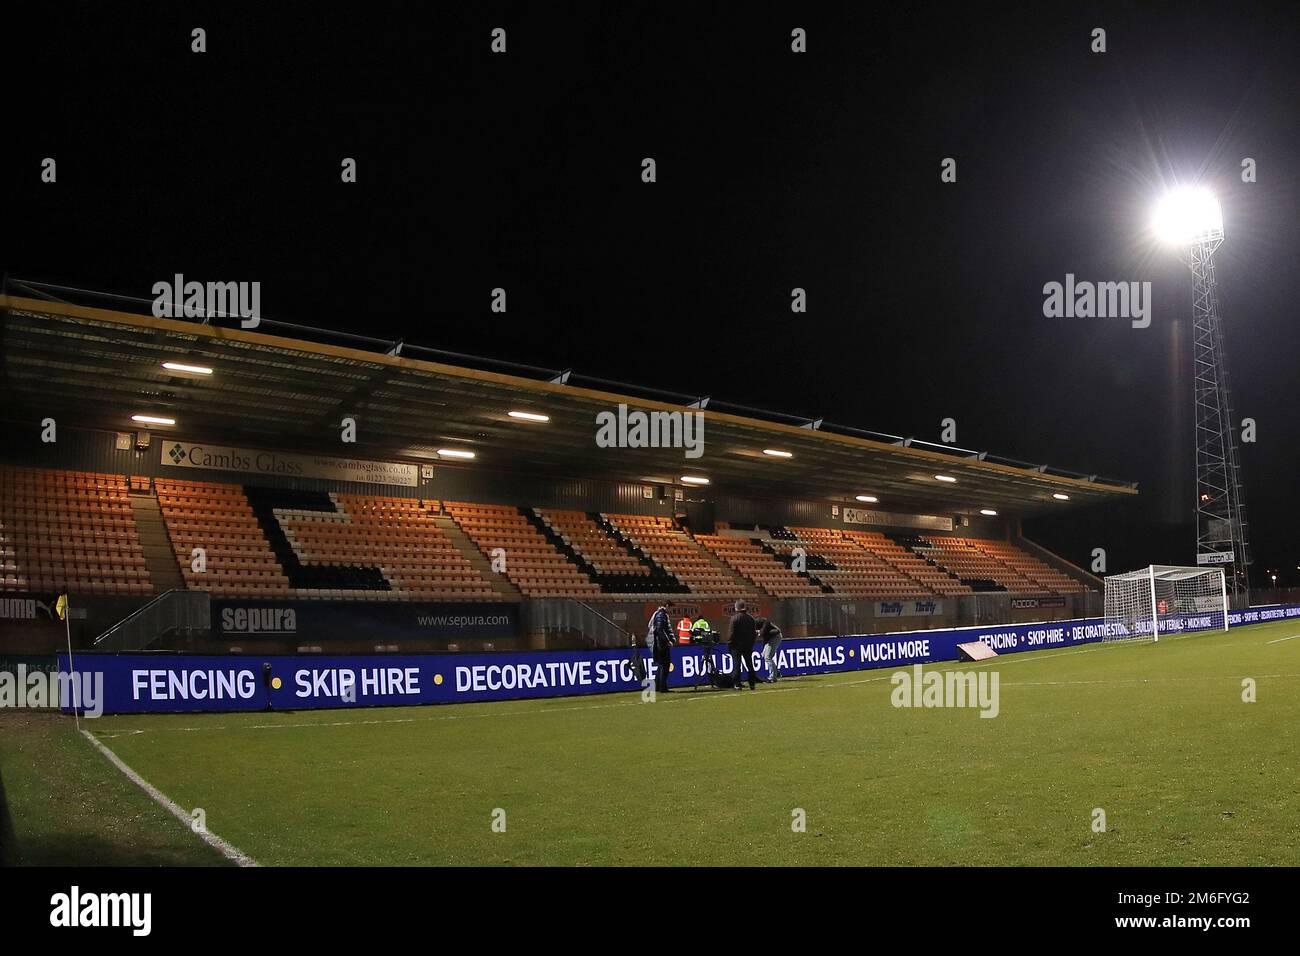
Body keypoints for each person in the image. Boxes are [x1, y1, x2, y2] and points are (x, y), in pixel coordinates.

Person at [727, 600, 760, 690]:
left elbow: (731, 634)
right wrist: (752, 643)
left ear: (736, 608)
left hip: (736, 646)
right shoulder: (751, 618)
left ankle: (737, 684)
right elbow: (754, 634)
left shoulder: (734, 618)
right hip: (748, 645)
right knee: (750, 665)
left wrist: (729, 644)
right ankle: (752, 683)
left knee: (737, 665)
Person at [649, 604, 675, 693]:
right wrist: (668, 641)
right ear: (667, 606)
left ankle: (657, 686)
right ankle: (663, 687)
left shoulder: (661, 614)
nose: (671, 610)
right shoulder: (661, 615)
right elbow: (660, 630)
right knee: (665, 665)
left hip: (660, 643)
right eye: (671, 607)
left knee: (661, 666)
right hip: (661, 644)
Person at [755, 616, 783, 682]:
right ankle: (777, 673)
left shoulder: (765, 623)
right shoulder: (759, 624)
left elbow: (763, 634)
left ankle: (773, 677)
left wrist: (759, 633)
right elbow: (764, 638)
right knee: (765, 655)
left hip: (775, 637)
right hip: (770, 638)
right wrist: (763, 649)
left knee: (768, 657)